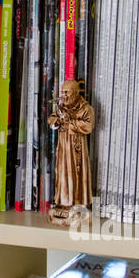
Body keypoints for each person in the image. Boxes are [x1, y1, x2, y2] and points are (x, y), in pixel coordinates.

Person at [48, 79, 94, 225]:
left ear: (74, 93)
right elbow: (52, 119)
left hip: (76, 148)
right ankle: (63, 202)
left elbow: (88, 126)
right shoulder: (61, 106)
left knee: (76, 175)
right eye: (62, 92)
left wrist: (70, 123)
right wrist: (58, 121)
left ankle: (77, 203)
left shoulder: (85, 108)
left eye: (66, 92)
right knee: (62, 173)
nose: (64, 96)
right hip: (63, 147)